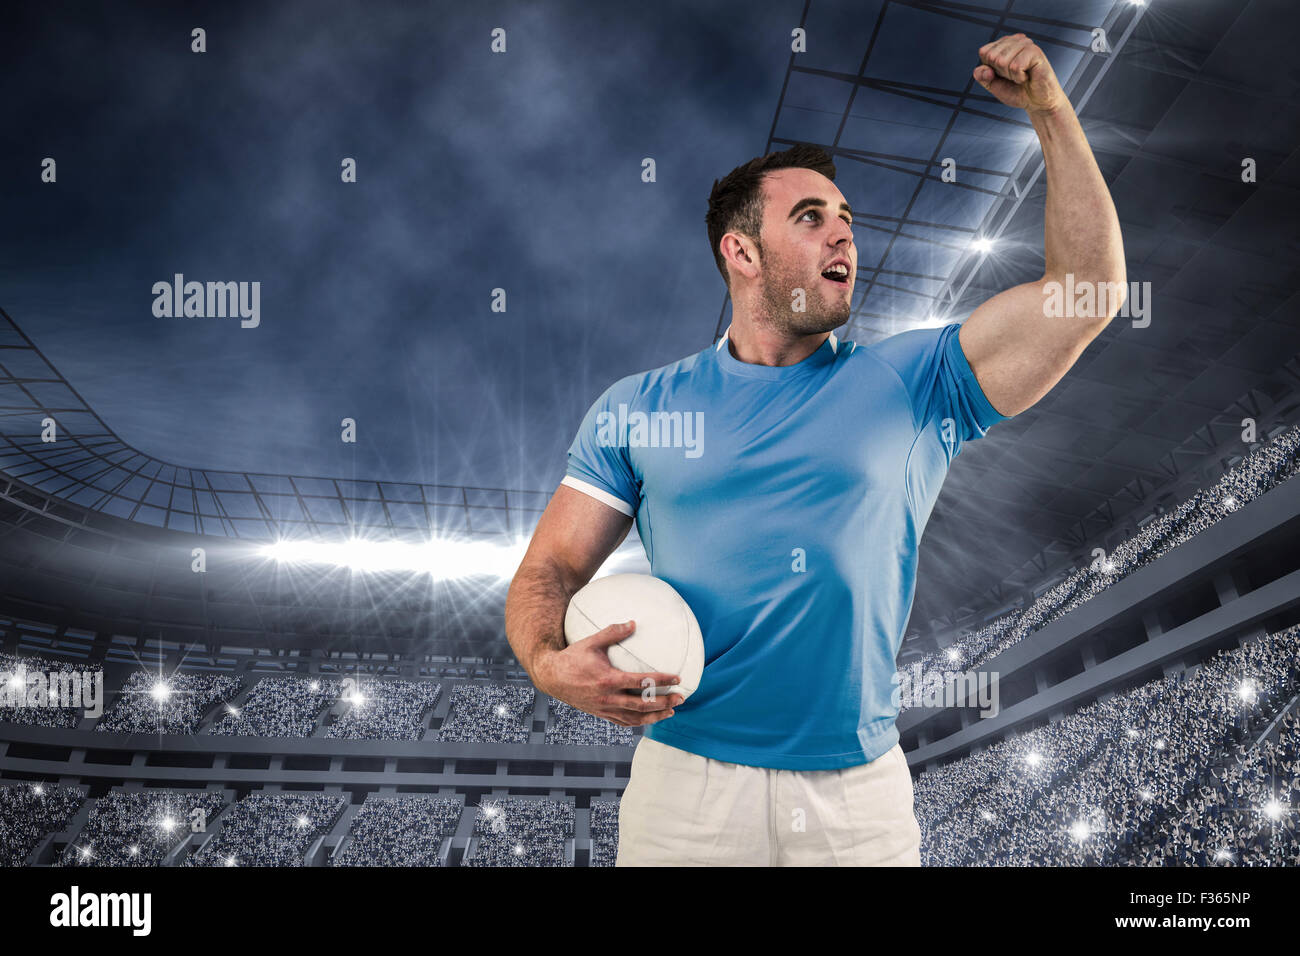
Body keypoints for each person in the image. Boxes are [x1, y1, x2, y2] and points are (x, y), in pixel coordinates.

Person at [505, 33, 1126, 866]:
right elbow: (548, 570)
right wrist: (549, 665)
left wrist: (1051, 115)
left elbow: (1088, 293)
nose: (844, 237)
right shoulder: (637, 409)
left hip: (856, 800)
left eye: (847, 221)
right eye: (811, 218)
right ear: (741, 252)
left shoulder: (918, 380)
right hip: (683, 791)